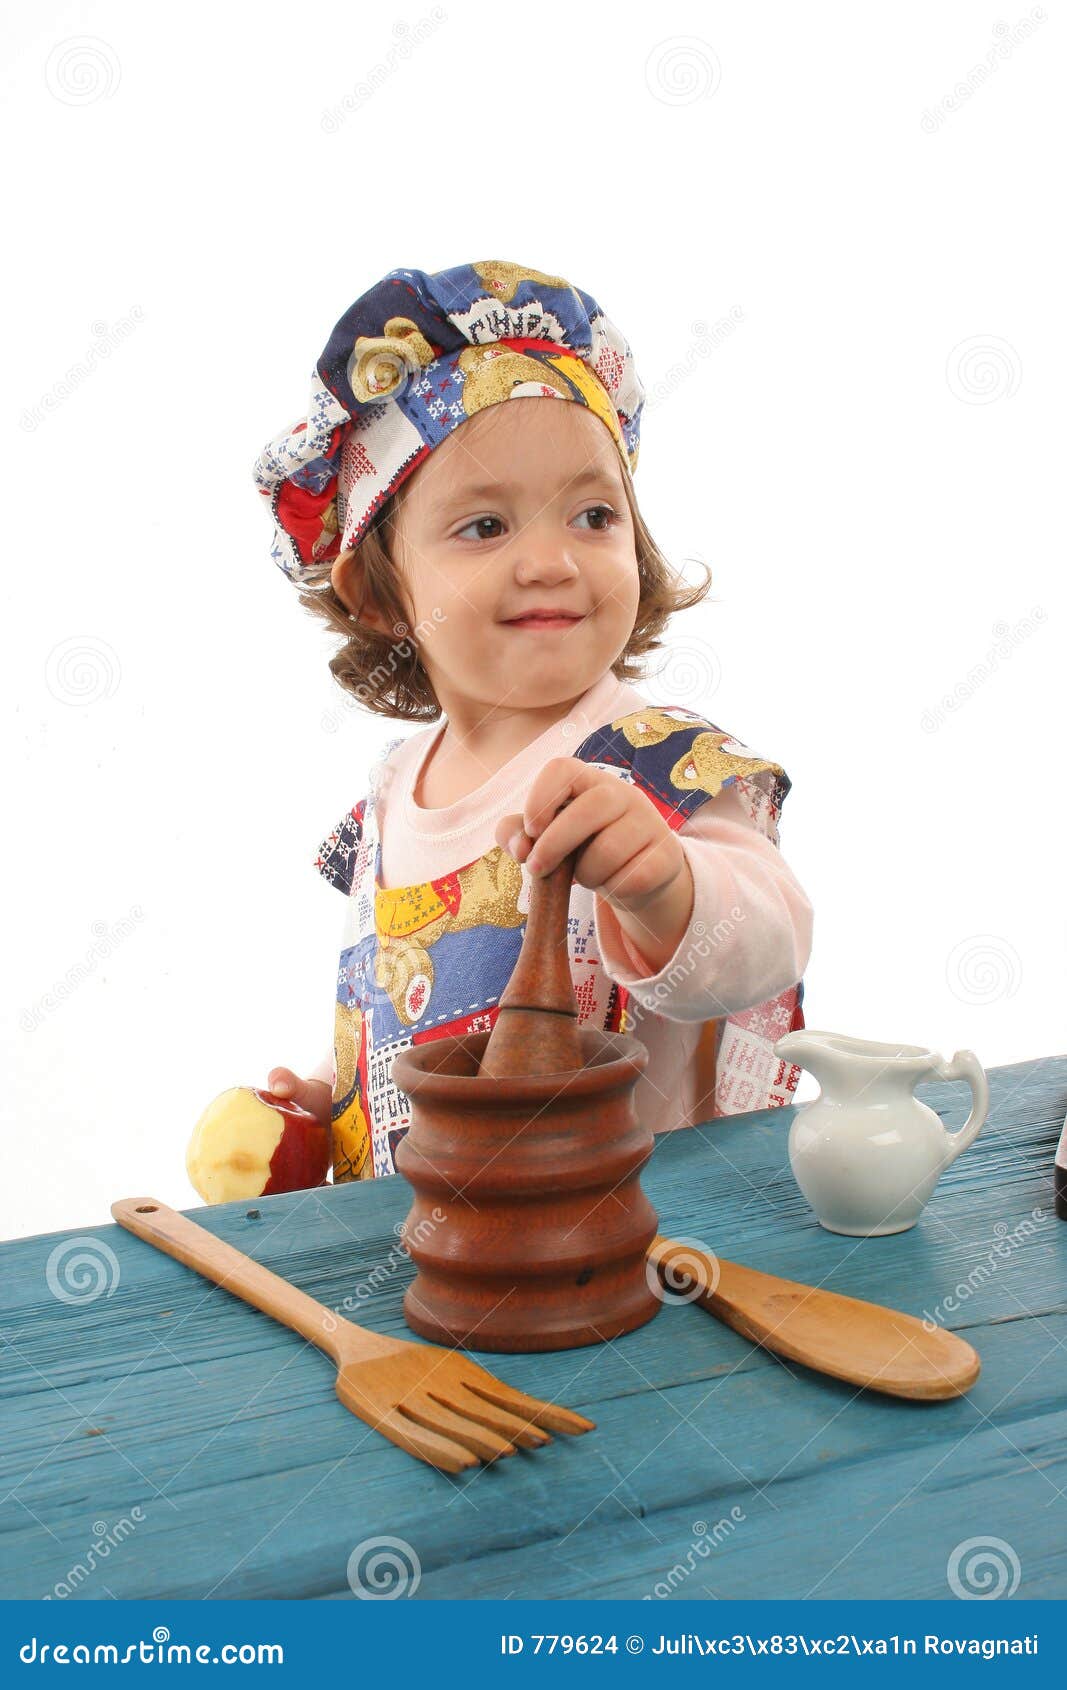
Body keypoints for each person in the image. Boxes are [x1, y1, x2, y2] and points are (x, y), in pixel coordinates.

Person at [252, 259, 813, 1183]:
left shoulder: (656, 762)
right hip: (428, 1258)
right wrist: (322, 1100)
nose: (551, 561)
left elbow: (769, 942)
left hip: (622, 1257)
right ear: (381, 596)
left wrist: (666, 884)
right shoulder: (392, 792)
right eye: (484, 527)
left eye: (593, 515)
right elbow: (383, 1012)